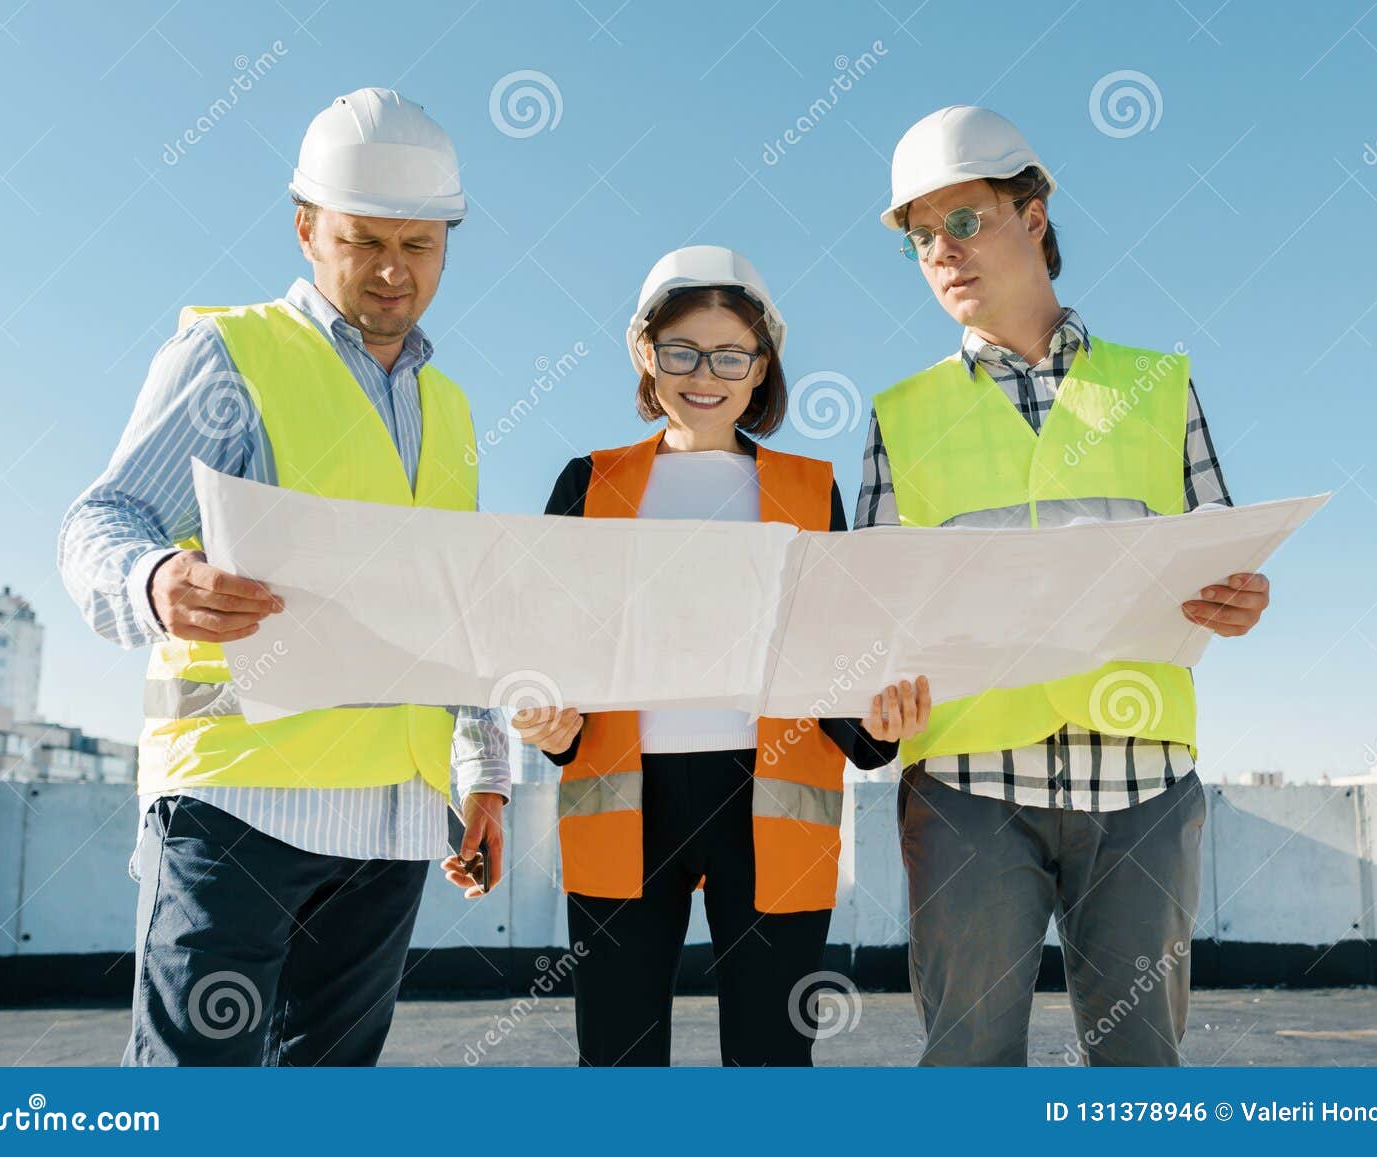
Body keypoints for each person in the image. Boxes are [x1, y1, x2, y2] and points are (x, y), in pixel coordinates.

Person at [57, 88, 510, 1066]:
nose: (392, 270)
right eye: (363, 240)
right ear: (307, 229)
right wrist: (154, 579)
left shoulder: (452, 407)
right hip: (237, 800)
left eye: (419, 244)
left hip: (393, 814)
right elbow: (103, 518)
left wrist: (483, 775)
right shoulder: (232, 355)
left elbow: (461, 607)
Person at [859, 106, 1272, 1066]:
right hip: (967, 783)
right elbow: (873, 610)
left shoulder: (1158, 385)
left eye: (965, 221)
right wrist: (874, 681)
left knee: (1141, 1068)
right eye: (921, 237)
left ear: (1034, 217)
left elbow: (1220, 549)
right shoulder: (900, 414)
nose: (941, 252)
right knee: (967, 1063)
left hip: (1141, 781)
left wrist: (1241, 599)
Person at [476, 245, 930, 1066]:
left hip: (771, 799)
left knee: (770, 1056)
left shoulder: (809, 489)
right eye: (682, 350)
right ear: (645, 353)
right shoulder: (589, 482)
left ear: (762, 366)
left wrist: (877, 729)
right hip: (625, 800)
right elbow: (540, 642)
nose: (705, 375)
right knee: (617, 1056)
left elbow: (830, 650)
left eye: (730, 355)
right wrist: (546, 721)